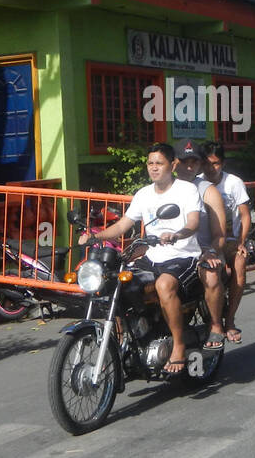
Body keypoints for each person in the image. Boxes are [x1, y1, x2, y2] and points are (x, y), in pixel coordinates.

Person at [77, 142, 201, 374]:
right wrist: (95, 236)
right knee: (117, 283)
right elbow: (124, 224)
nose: (154, 168)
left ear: (172, 165)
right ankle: (130, 338)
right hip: (152, 257)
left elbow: (193, 223)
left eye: (159, 163)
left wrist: (177, 234)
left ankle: (179, 345)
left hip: (183, 255)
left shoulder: (186, 190)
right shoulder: (143, 194)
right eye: (150, 163)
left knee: (165, 285)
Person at [172, 139, 233, 350]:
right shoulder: (161, 188)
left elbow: (220, 235)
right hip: (171, 255)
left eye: (194, 162)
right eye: (184, 161)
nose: (189, 167)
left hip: (203, 253)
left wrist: (210, 251)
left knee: (211, 272)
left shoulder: (208, 190)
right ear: (174, 164)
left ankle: (216, 324)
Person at [202, 140, 253, 344]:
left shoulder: (234, 183)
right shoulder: (195, 183)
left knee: (239, 264)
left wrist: (241, 241)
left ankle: (230, 320)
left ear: (222, 163)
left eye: (215, 164)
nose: (210, 168)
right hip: (205, 242)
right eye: (206, 164)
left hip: (230, 239)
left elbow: (245, 215)